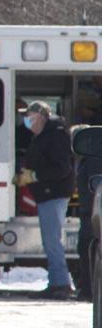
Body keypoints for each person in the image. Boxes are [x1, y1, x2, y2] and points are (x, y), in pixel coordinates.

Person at [17, 101, 74, 300]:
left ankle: (60, 284)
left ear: (41, 115)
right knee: (50, 240)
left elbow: (62, 168)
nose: (27, 120)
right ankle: (57, 281)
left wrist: (35, 176)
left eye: (30, 116)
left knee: (52, 241)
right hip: (46, 194)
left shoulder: (56, 135)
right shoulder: (42, 136)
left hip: (53, 194)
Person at [73, 124, 99, 301]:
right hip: (89, 212)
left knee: (87, 248)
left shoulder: (93, 161)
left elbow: (94, 187)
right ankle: (87, 288)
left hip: (92, 213)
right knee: (85, 248)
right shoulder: (87, 160)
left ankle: (88, 290)